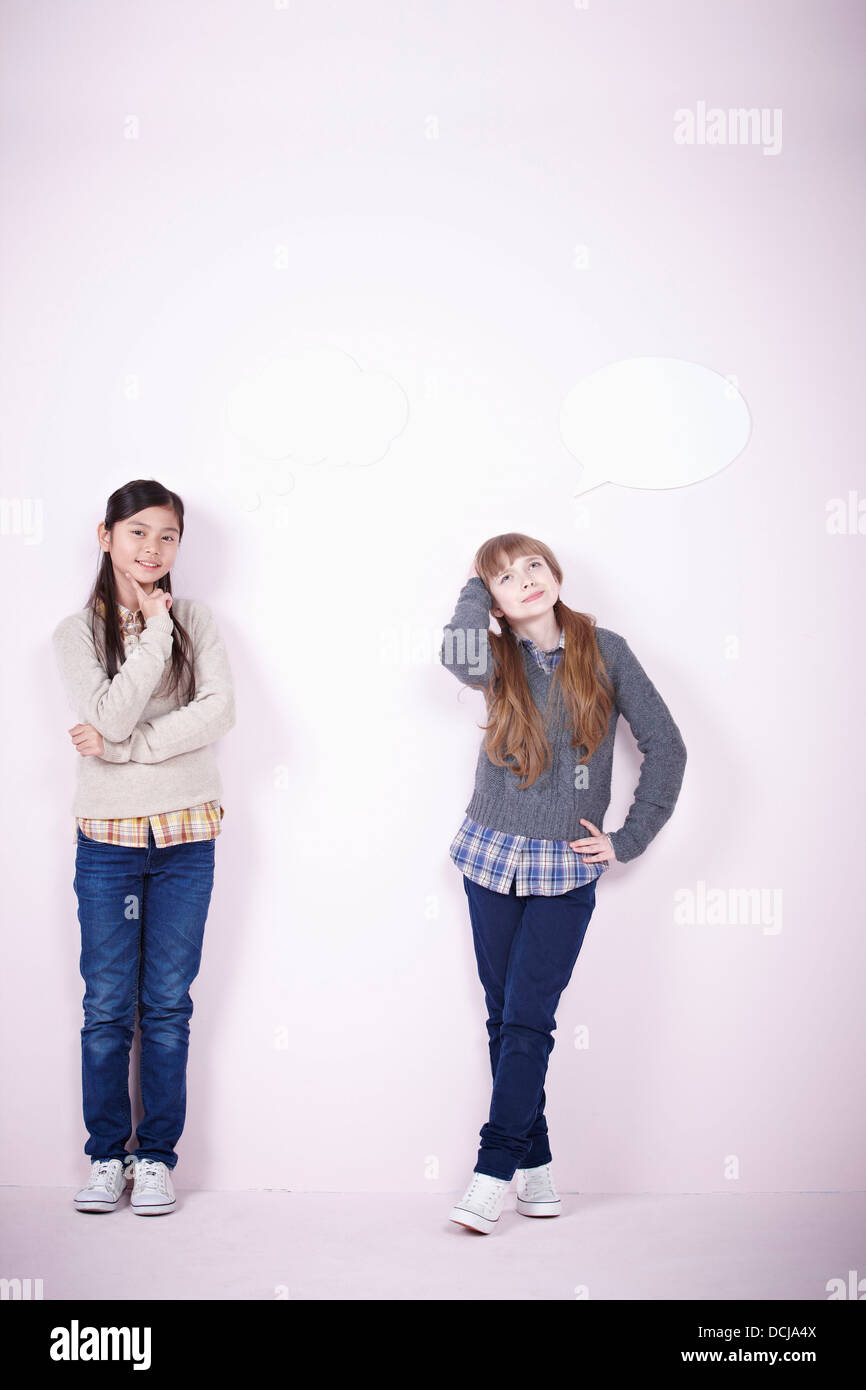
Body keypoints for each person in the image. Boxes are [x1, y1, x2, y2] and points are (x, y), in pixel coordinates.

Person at [440, 533, 687, 1233]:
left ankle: (493, 1171)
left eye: (533, 567)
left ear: (555, 573)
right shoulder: (493, 658)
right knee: (502, 1015)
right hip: (489, 853)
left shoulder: (604, 649)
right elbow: (453, 652)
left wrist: (629, 839)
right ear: (490, 599)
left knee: (528, 1017)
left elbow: (667, 746)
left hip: (565, 863)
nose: (525, 582)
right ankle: (537, 1163)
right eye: (505, 578)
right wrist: (473, 587)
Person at [51, 479, 235, 1215]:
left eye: (167, 536)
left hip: (189, 834)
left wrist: (126, 751)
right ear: (106, 537)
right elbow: (105, 711)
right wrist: (152, 634)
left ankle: (155, 1156)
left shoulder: (198, 617)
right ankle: (106, 1157)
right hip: (109, 840)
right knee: (105, 1006)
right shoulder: (76, 633)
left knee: (165, 1005)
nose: (153, 549)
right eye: (137, 534)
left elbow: (220, 710)